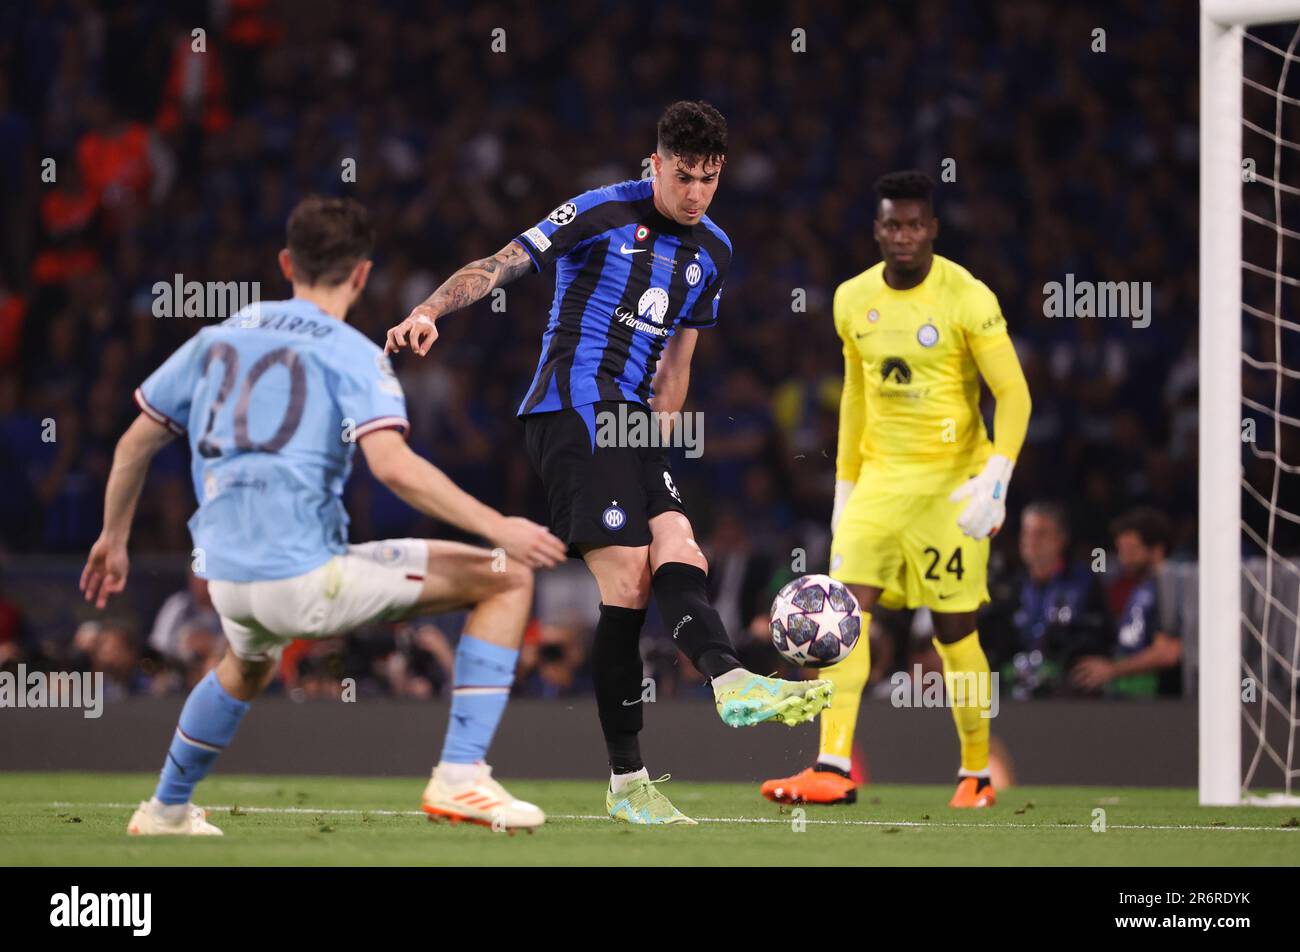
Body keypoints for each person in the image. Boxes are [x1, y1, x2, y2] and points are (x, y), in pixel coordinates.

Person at [385, 101, 832, 825]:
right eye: (683, 176)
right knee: (627, 577)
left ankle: (709, 704)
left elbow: (680, 359)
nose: (695, 193)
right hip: (568, 410)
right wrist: (433, 310)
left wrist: (658, 437)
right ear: (655, 164)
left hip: (631, 423)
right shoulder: (600, 212)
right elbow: (499, 262)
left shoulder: (713, 250)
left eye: (709, 179)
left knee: (680, 548)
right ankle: (673, 739)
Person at [80, 197, 566, 836]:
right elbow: (392, 466)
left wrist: (114, 540)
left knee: (247, 664)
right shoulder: (353, 352)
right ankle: (461, 776)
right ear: (363, 274)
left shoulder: (215, 337)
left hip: (224, 578)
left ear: (287, 263)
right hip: (303, 577)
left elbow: (135, 442)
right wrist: (497, 526)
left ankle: (167, 808)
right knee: (506, 576)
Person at [761, 170, 1032, 808]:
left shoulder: (967, 296)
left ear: (932, 229)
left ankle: (975, 774)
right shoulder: (851, 299)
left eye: (915, 225)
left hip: (951, 490)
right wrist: (844, 485)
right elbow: (856, 395)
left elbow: (1013, 392)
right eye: (892, 225)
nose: (904, 235)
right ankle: (831, 765)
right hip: (879, 488)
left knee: (954, 632)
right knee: (843, 619)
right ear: (877, 229)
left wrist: (997, 475)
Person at [980, 501, 1110, 698]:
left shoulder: (1084, 583)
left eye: (1041, 533)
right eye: (1027, 533)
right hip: (1012, 688)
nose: (1031, 541)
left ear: (1061, 539)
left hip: (1067, 690)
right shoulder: (1008, 587)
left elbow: (1099, 635)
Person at [1070, 507, 1182, 696]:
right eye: (1121, 549)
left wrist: (1112, 669)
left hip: (1159, 702)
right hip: (1129, 696)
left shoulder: (1171, 587)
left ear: (1157, 550)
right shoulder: (1141, 587)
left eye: (1131, 549)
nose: (1123, 559)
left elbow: (1169, 652)